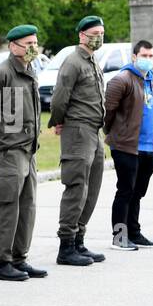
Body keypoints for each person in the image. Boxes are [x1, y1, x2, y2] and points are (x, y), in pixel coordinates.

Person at [0, 24, 46, 281]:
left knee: (27, 206)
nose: (33, 47)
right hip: (8, 150)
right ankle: (1, 262)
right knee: (7, 206)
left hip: (28, 150)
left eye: (35, 43)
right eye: (27, 44)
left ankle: (19, 257)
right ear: (13, 46)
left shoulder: (29, 70)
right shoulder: (2, 74)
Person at [49, 15, 109, 266]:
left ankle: (79, 240)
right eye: (94, 33)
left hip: (93, 131)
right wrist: (58, 120)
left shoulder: (92, 60)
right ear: (81, 35)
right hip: (77, 130)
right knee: (76, 187)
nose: (98, 37)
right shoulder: (73, 61)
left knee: (92, 188)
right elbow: (60, 96)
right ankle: (66, 246)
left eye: (102, 33)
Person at [104, 40, 153, 250]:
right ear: (134, 57)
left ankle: (134, 234)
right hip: (126, 146)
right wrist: (113, 133)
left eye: (151, 56)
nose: (148, 60)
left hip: (148, 148)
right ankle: (119, 237)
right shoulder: (122, 79)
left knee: (138, 192)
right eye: (144, 56)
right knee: (125, 190)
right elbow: (107, 112)